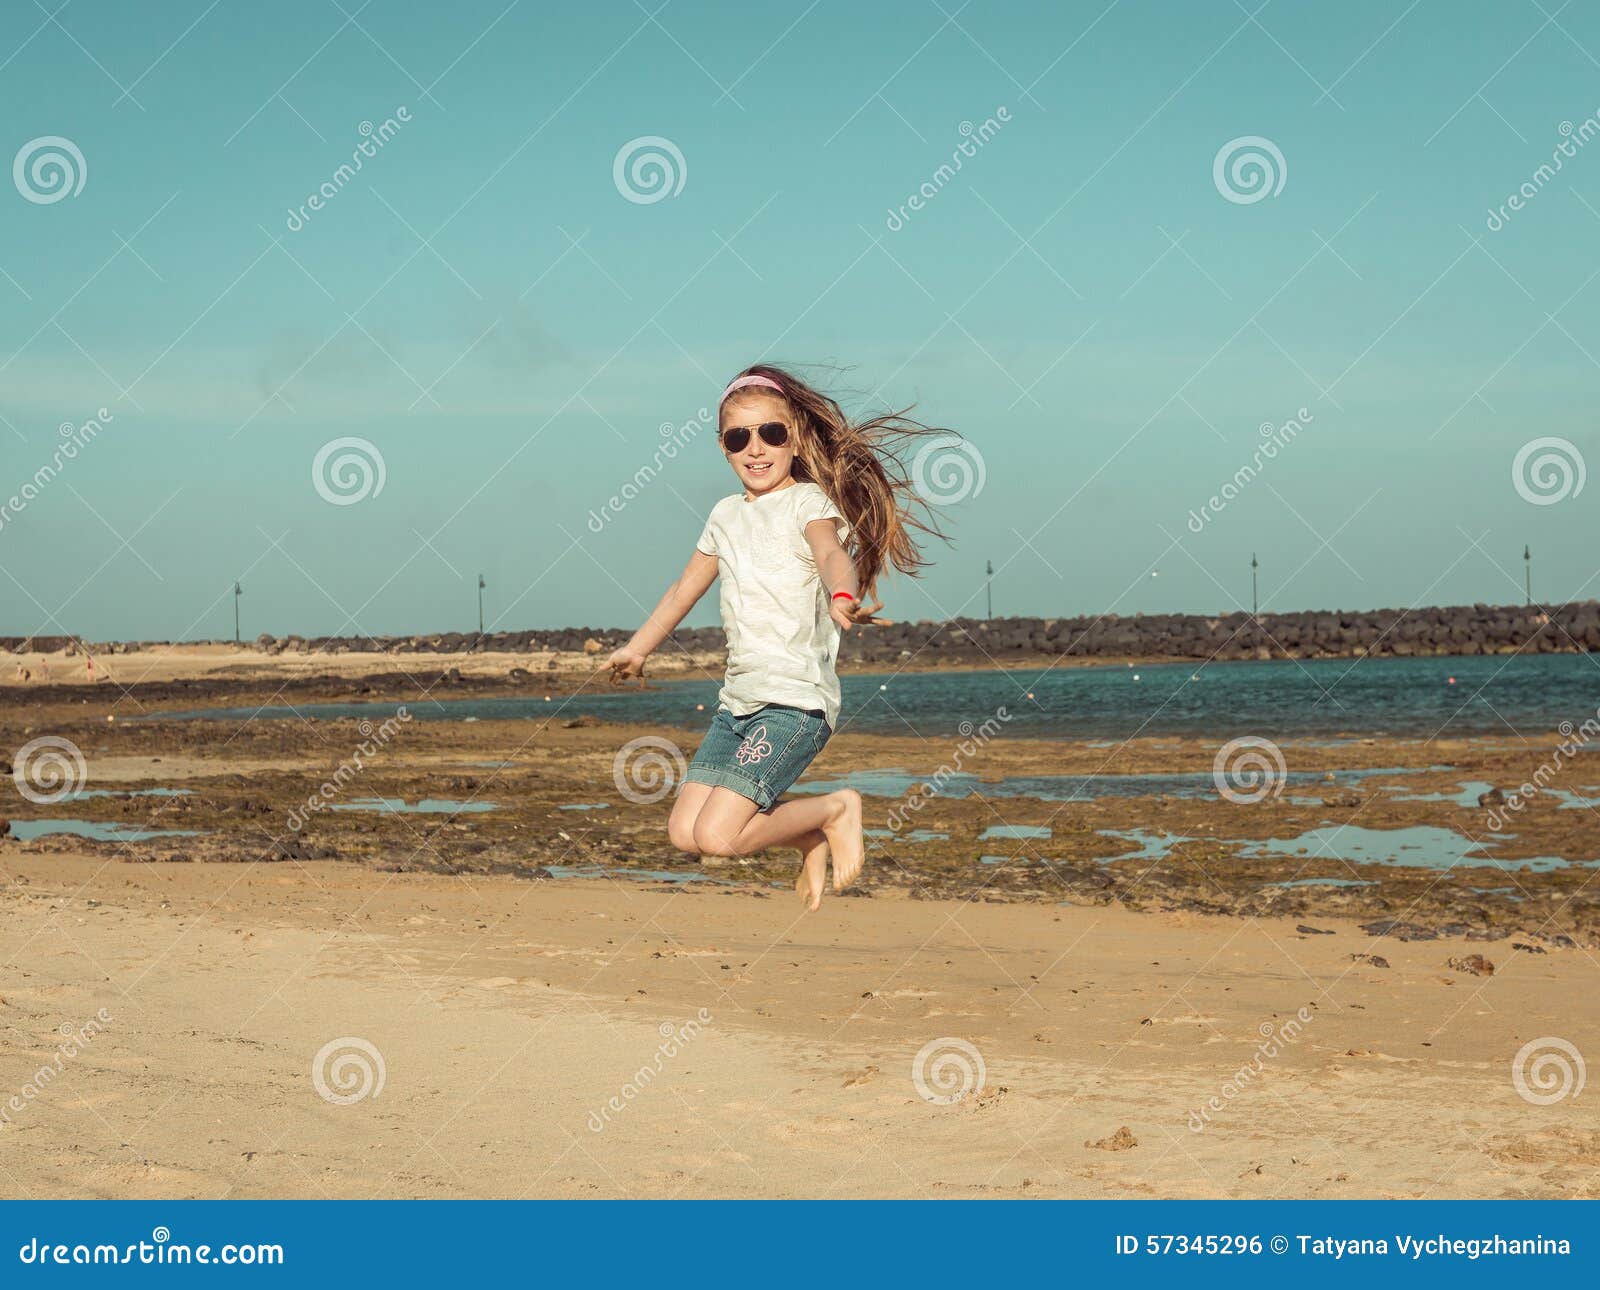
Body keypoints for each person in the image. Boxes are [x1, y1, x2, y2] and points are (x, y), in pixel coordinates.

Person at [607, 364, 948, 910]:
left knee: (719, 837)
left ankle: (835, 809)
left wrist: (843, 594)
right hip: (737, 706)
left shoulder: (808, 503)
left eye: (771, 432)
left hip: (794, 703)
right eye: (738, 438)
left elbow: (831, 554)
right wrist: (637, 649)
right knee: (686, 833)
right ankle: (808, 836)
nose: (756, 448)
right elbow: (682, 590)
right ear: (723, 447)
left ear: (796, 437)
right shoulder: (723, 516)